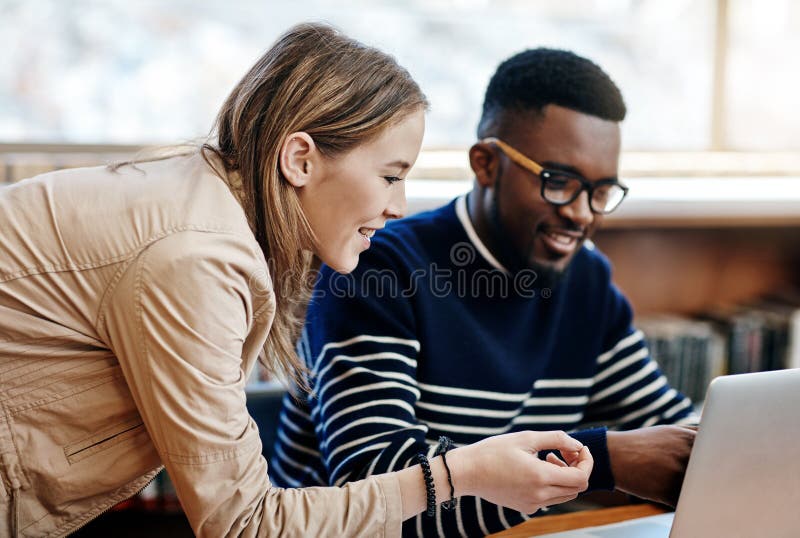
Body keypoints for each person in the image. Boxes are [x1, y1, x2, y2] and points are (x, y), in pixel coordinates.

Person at [0, 25, 595, 538]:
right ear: (300, 160)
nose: (400, 207)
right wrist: (461, 475)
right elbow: (245, 523)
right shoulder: (195, 262)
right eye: (390, 176)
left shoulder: (204, 210)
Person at [272, 48, 697, 536]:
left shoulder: (585, 280)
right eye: (559, 182)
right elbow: (378, 493)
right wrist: (600, 460)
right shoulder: (376, 270)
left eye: (600, 192)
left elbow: (669, 432)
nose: (581, 213)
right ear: (486, 164)